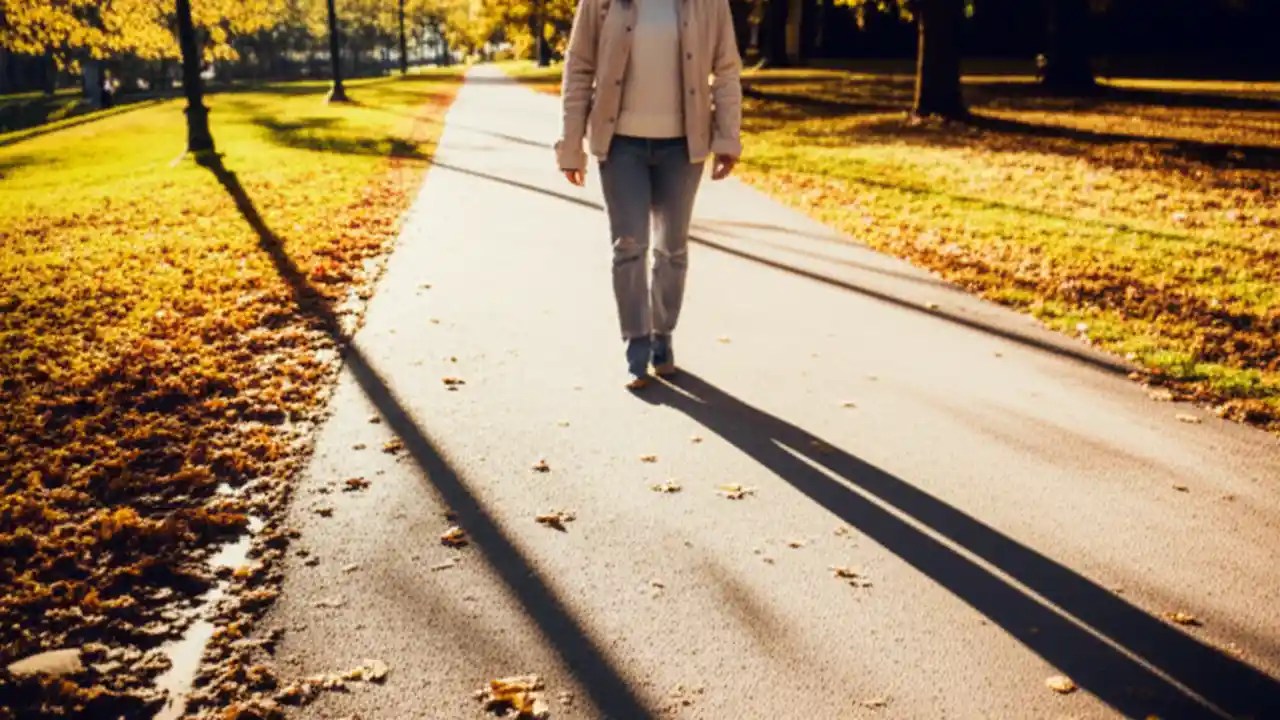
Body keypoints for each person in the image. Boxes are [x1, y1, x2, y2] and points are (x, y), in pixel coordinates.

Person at [556, 0, 742, 390]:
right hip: (621, 144)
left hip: (683, 146)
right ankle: (636, 345)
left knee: (671, 248)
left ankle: (663, 337)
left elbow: (725, 70)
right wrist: (571, 144)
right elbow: (578, 68)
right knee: (628, 245)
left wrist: (727, 137)